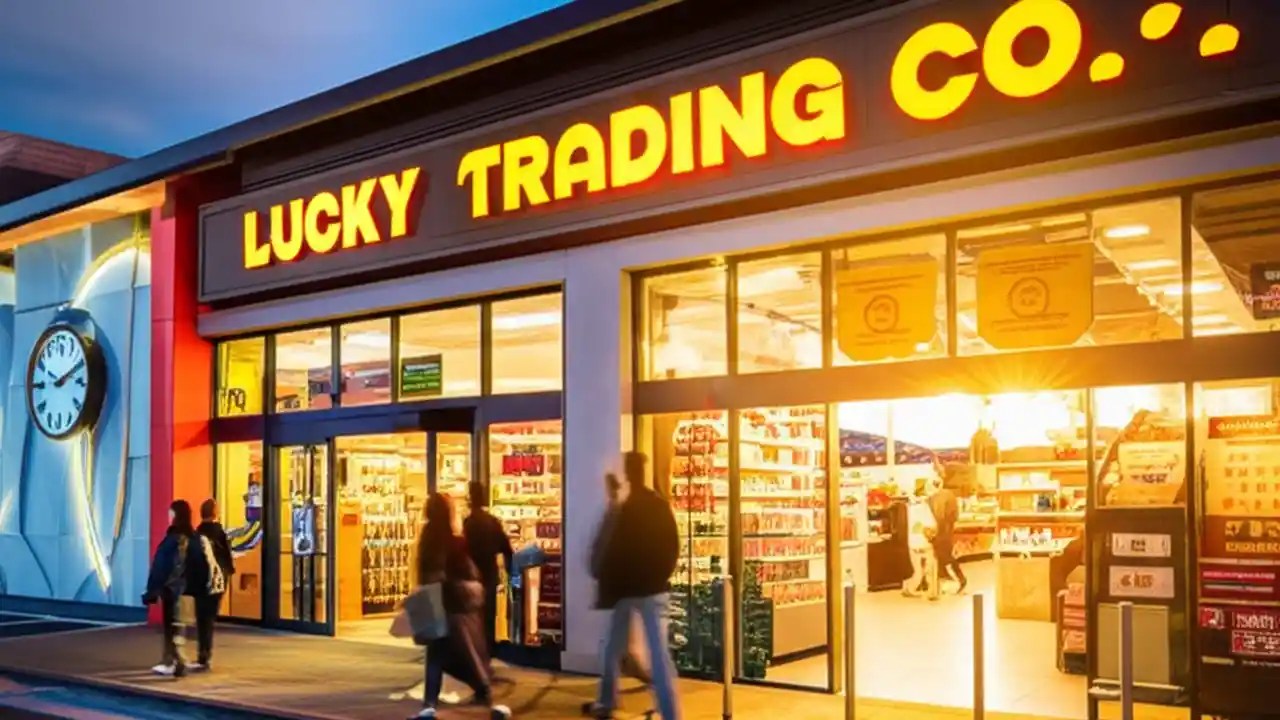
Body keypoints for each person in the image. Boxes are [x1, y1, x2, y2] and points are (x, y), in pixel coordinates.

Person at [590, 452, 680, 720]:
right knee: (659, 654)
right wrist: (661, 574)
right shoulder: (659, 506)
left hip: (627, 590)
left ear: (628, 474)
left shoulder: (624, 509)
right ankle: (671, 713)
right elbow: (672, 546)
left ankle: (607, 702)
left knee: (611, 647)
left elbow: (611, 550)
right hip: (653, 589)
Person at [416, 492, 511, 720]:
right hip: (455, 601)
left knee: (441, 651)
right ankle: (479, 688)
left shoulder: (430, 536)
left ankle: (433, 699)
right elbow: (477, 564)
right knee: (450, 651)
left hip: (439, 600)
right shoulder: (454, 538)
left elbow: (428, 570)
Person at [143, 500, 199, 677]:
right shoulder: (192, 537)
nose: (168, 516)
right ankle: (173, 659)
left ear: (175, 516)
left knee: (172, 626)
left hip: (172, 589)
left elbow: (162, 566)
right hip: (186, 589)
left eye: (171, 513)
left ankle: (174, 661)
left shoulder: (174, 539)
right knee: (178, 626)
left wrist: (154, 589)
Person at [462, 481, 514, 654]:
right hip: (490, 574)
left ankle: (476, 650)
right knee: (489, 614)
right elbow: (506, 549)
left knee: (473, 615)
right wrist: (509, 572)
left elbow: (464, 550)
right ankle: (489, 648)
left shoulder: (468, 523)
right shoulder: (492, 522)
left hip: (472, 575)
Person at [190, 499, 235, 671]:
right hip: (217, 581)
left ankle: (202, 653)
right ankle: (206, 654)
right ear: (215, 513)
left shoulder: (197, 533)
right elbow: (226, 558)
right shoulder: (219, 532)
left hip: (201, 582)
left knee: (202, 618)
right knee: (209, 617)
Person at [927, 477, 966, 594]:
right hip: (946, 530)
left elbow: (939, 515)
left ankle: (958, 579)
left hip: (941, 530)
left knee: (944, 556)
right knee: (943, 556)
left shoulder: (935, 497)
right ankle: (948, 581)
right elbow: (954, 515)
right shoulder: (949, 495)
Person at [903, 478, 938, 600]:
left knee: (918, 570)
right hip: (925, 542)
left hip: (913, 542)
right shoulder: (924, 506)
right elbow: (931, 523)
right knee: (931, 566)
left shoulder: (910, 506)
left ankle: (908, 587)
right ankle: (932, 592)